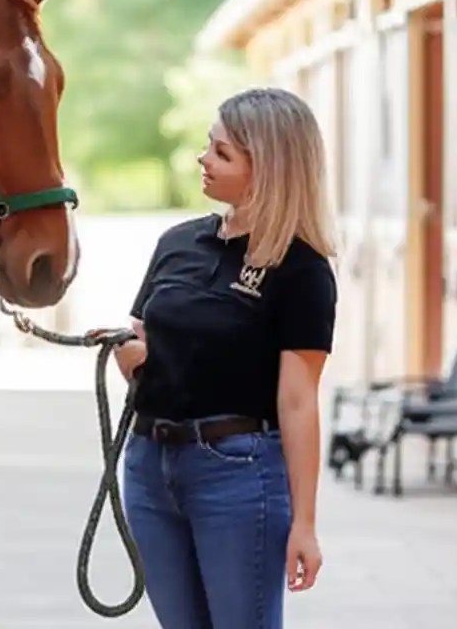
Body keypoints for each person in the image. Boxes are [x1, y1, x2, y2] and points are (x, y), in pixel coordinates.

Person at [113, 87, 338, 628]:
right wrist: (128, 356)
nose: (202, 159)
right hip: (148, 464)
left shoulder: (302, 271)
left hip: (236, 475)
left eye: (221, 152)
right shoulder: (178, 242)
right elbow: (145, 337)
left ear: (269, 167)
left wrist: (305, 523)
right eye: (209, 146)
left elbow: (298, 400)